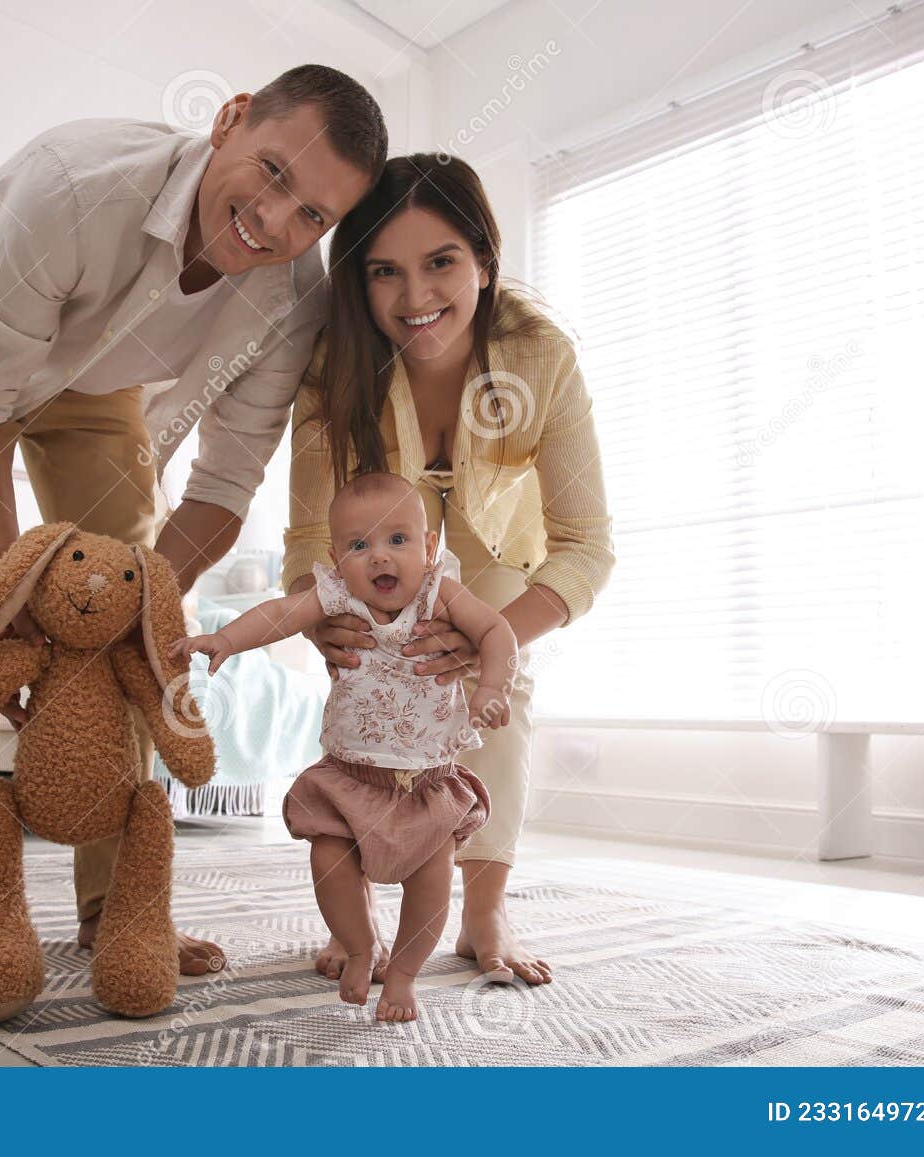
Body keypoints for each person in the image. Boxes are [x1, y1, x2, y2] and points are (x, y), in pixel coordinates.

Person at [0, 65, 387, 1001]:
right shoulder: (77, 183)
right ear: (230, 120)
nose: (277, 223)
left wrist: (139, 607)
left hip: (101, 386)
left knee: (128, 632)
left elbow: (225, 487)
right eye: (272, 173)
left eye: (312, 215)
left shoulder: (290, 301)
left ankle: (119, 910)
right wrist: (21, 603)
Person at [281, 153, 616, 987]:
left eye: (442, 264)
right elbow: (308, 533)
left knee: (497, 672)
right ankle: (353, 911)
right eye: (385, 272)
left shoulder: (542, 357)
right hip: (381, 535)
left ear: (485, 263)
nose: (414, 298)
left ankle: (482, 908)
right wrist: (326, 623)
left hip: (497, 537)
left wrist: (489, 645)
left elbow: (586, 544)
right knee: (373, 673)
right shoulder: (335, 367)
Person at [174, 471, 517, 1020]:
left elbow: (497, 630)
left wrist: (492, 687)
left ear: (429, 548)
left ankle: (403, 976)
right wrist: (226, 640)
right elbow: (278, 616)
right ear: (336, 558)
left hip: (426, 784)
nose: (380, 558)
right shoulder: (336, 595)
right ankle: (359, 949)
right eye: (360, 546)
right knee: (328, 862)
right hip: (349, 780)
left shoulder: (440, 591)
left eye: (397, 540)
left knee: (430, 889)